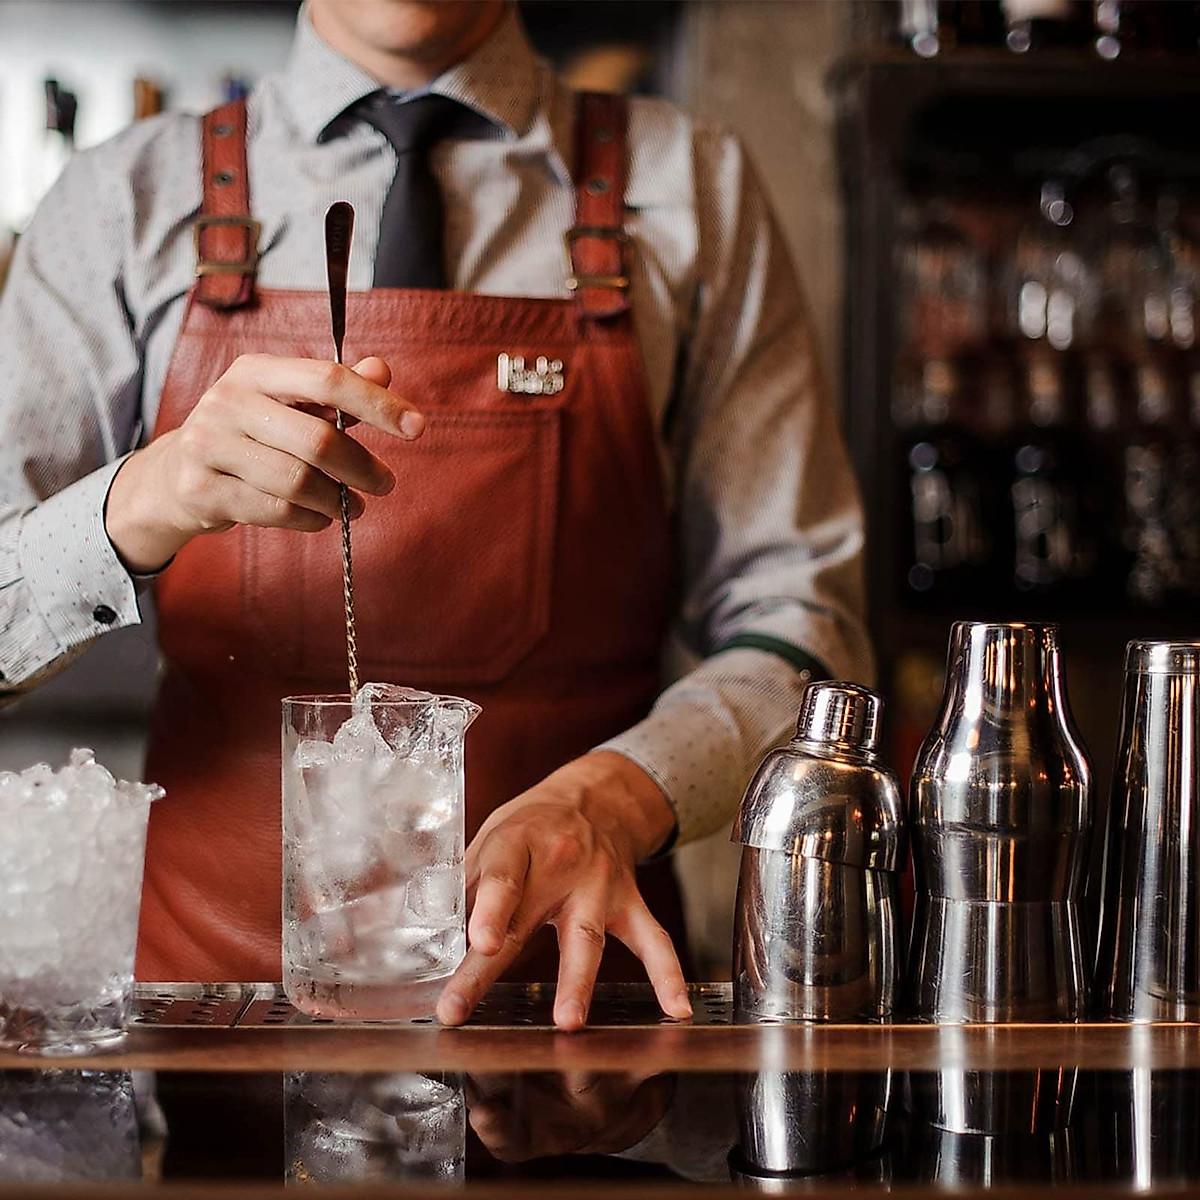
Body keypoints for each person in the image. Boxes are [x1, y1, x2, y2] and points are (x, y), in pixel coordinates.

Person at [0, 0, 870, 1030]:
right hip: (207, 1025)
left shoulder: (696, 187)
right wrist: (140, 501)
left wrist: (618, 795)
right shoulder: (121, 197)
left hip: (581, 1022)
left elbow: (806, 629)